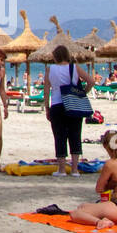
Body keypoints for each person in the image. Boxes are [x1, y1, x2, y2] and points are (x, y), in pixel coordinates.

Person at [68, 131, 117, 229]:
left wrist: (110, 185)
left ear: (105, 145)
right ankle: (105, 219)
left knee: (76, 213)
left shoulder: (110, 163)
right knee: (84, 206)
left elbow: (99, 189)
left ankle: (99, 222)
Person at [44, 44, 91, 177]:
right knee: (75, 134)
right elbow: (91, 81)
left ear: (55, 56)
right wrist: (81, 93)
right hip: (73, 103)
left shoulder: (49, 69)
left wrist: (46, 107)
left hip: (57, 104)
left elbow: (46, 90)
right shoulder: (74, 67)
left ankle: (62, 169)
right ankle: (75, 169)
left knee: (59, 136)